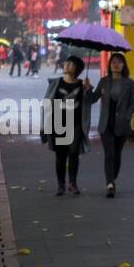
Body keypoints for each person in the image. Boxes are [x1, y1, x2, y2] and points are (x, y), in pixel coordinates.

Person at [85, 52, 134, 197]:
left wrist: (127, 117)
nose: (116, 64)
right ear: (109, 65)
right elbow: (92, 99)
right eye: (113, 61)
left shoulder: (129, 83)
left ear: (123, 65)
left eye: (119, 62)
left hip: (121, 123)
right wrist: (88, 88)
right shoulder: (104, 81)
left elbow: (133, 103)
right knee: (109, 153)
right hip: (105, 123)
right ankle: (109, 183)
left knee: (117, 154)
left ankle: (112, 178)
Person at [43, 56, 90, 196]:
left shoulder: (82, 85)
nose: (67, 65)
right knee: (60, 155)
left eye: (71, 63)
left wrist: (87, 90)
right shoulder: (55, 83)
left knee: (74, 152)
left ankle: (73, 183)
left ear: (77, 69)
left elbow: (91, 101)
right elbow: (46, 102)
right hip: (58, 122)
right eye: (67, 62)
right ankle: (61, 184)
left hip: (75, 123)